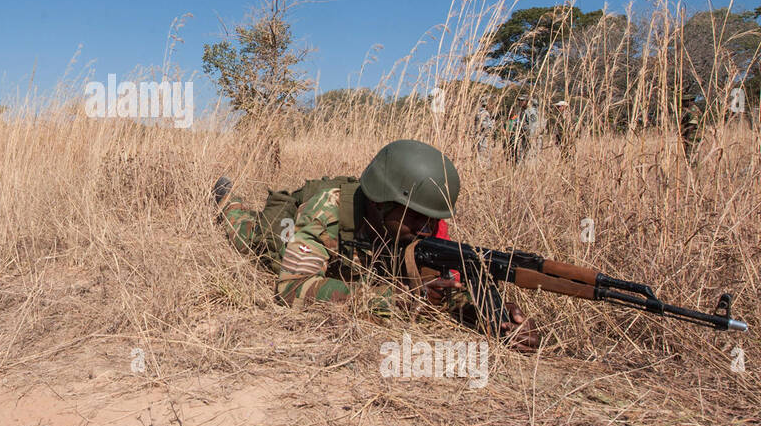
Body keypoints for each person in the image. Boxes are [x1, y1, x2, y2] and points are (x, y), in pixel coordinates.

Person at [213, 139, 539, 350]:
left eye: (431, 219)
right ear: (380, 202)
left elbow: (435, 291)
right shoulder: (328, 209)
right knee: (251, 238)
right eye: (415, 217)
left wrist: (488, 313)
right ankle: (227, 198)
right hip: (293, 226)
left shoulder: (419, 230)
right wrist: (391, 299)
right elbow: (292, 288)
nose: (427, 228)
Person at [680, 92, 702, 161]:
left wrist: (687, 138)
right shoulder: (690, 109)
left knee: (691, 154)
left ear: (689, 101)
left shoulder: (693, 110)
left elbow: (692, 125)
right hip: (692, 136)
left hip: (692, 136)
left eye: (684, 101)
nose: (682, 103)